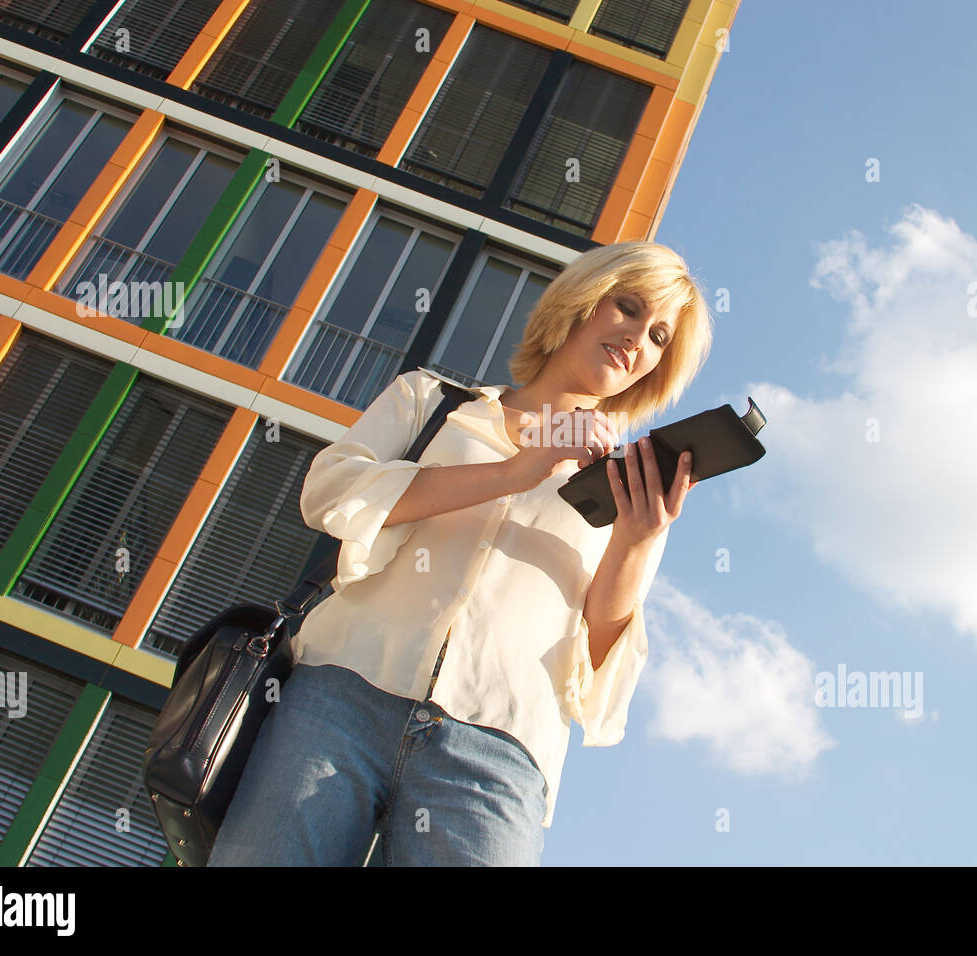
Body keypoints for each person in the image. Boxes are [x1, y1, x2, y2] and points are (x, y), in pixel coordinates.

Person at [208, 240, 713, 866]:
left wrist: (638, 541)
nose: (639, 336)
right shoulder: (432, 401)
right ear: (582, 302)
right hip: (341, 695)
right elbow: (331, 491)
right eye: (629, 307)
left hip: (497, 746)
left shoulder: (628, 483)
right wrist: (515, 472)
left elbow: (599, 658)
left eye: (660, 335)